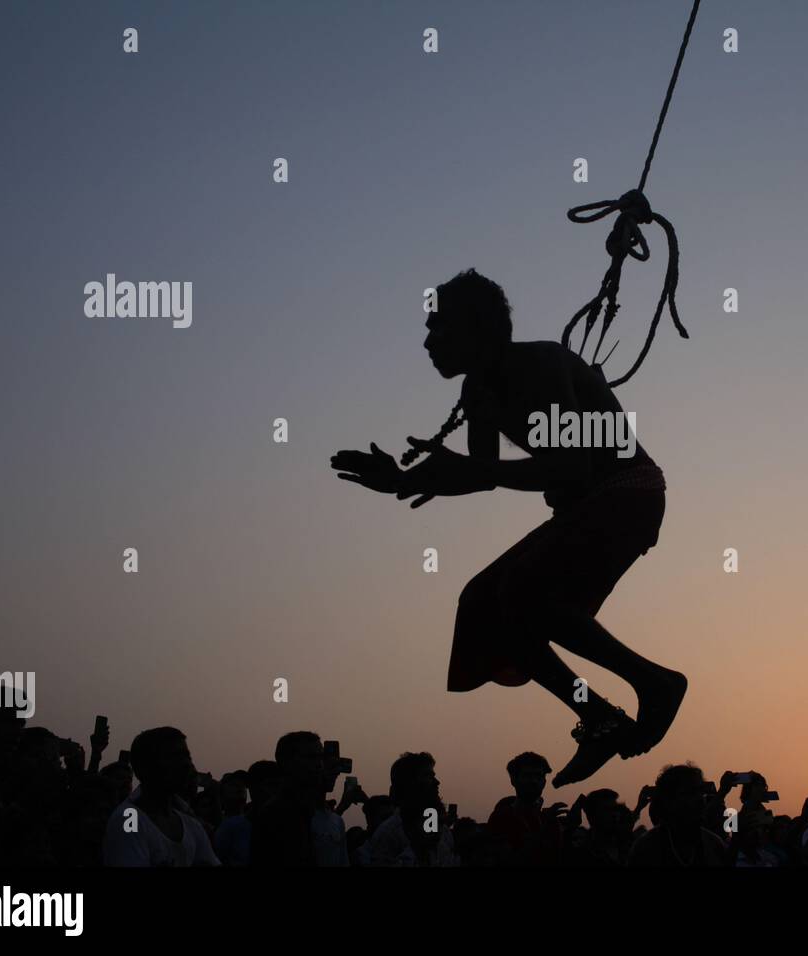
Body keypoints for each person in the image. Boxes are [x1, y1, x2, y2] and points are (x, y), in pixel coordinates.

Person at [332, 269, 686, 786]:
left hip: (627, 494)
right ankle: (600, 717)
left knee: (519, 591)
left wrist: (467, 469)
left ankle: (654, 684)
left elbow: (569, 468)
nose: (428, 341)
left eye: (438, 328)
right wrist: (401, 481)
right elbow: (482, 477)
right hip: (585, 508)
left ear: (477, 328)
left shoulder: (540, 365)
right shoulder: (480, 391)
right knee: (481, 601)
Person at [102, 727, 219, 867]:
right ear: (145, 767)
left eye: (187, 756)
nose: (186, 764)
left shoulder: (191, 824)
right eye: (174, 757)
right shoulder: (128, 819)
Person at [251, 732, 348, 867]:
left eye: (321, 757)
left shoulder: (305, 810)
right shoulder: (277, 813)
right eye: (311, 757)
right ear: (287, 762)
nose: (319, 764)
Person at [628, 764, 728, 867]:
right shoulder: (646, 848)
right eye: (690, 793)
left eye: (701, 792)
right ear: (669, 800)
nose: (699, 799)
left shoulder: (714, 845)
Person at [368, 752, 458, 866]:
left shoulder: (443, 831)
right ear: (410, 782)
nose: (436, 782)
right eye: (428, 776)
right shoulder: (389, 833)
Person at [485, 752, 563, 866]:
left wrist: (569, 831)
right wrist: (542, 831)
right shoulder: (501, 817)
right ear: (513, 780)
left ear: (544, 782)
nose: (534, 781)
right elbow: (505, 860)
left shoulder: (550, 820)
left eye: (538, 776)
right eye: (527, 776)